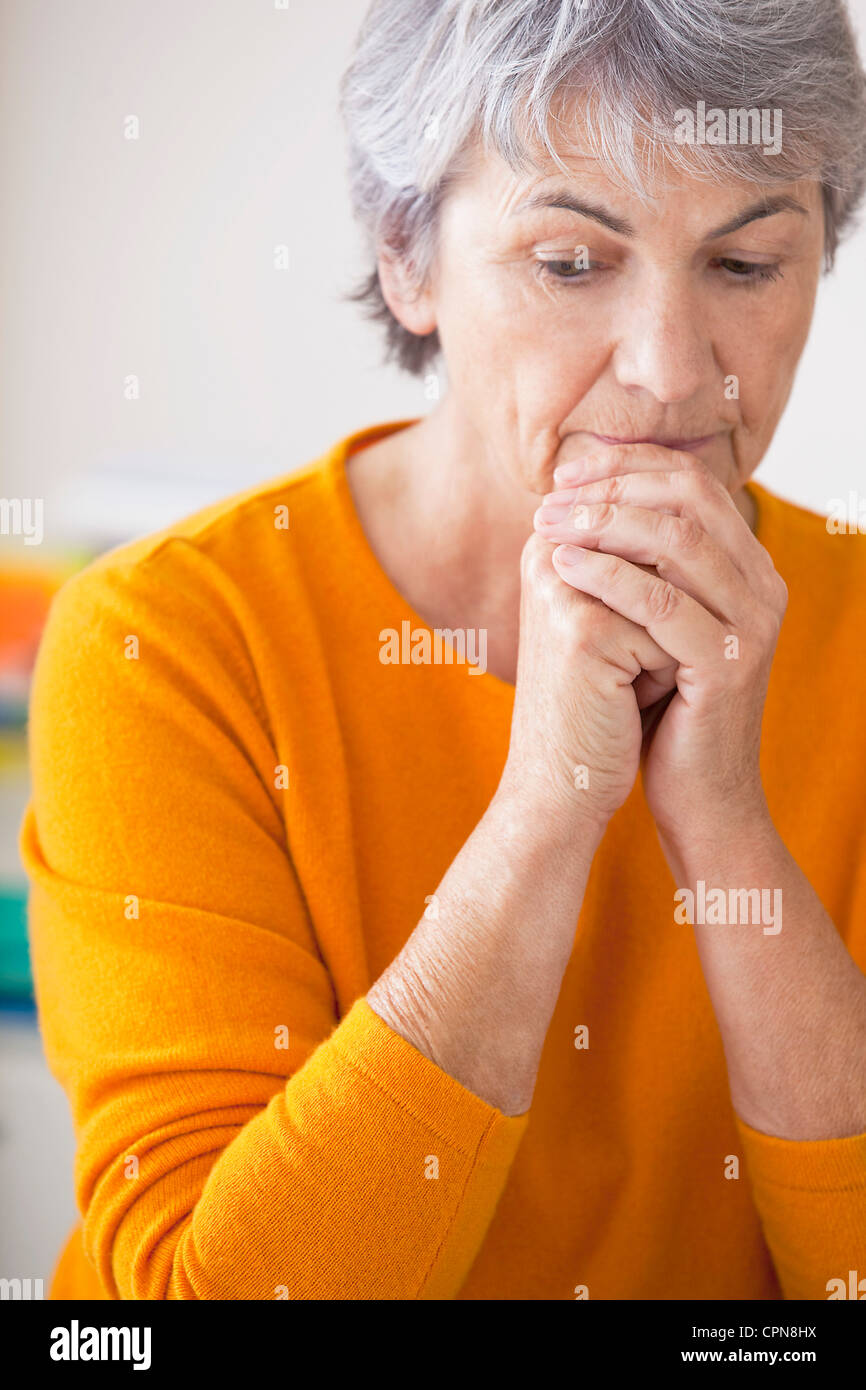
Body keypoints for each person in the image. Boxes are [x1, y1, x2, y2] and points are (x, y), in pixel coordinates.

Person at [22, 0, 866, 1299]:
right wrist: (545, 809)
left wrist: (724, 821)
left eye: (744, 266)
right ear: (408, 261)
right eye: (571, 263)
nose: (667, 369)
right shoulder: (170, 640)